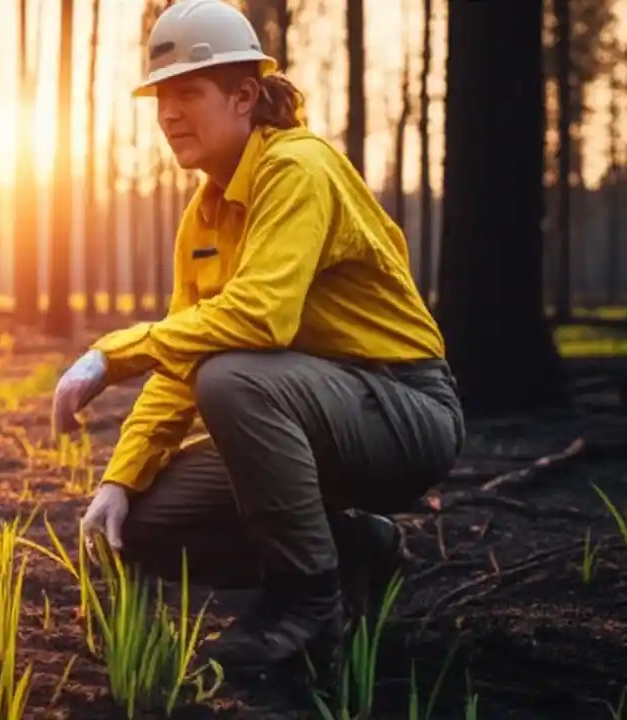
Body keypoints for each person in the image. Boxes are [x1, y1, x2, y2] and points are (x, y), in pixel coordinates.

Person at [50, 0, 465, 678]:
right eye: (161, 96)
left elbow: (259, 318)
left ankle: (308, 604)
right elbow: (184, 357)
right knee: (147, 527)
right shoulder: (204, 213)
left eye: (189, 92)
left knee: (232, 377)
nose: (168, 114)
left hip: (404, 410)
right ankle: (355, 549)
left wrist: (110, 355)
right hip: (305, 411)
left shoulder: (297, 169)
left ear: (244, 95)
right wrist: (121, 478)